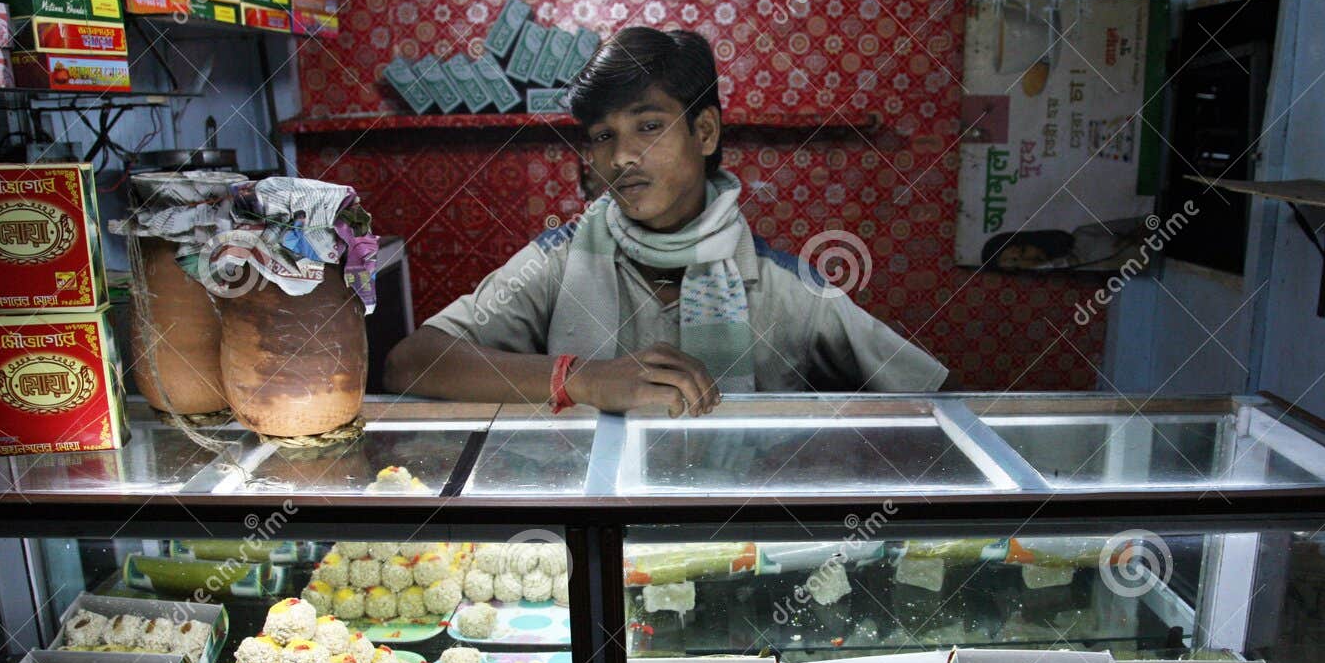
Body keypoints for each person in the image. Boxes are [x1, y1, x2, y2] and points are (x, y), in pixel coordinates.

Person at [383, 27, 951, 416]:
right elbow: (410, 363)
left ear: (704, 132)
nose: (621, 157)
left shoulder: (785, 288)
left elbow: (935, 402)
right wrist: (581, 378)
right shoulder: (558, 261)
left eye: (649, 126)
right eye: (603, 136)